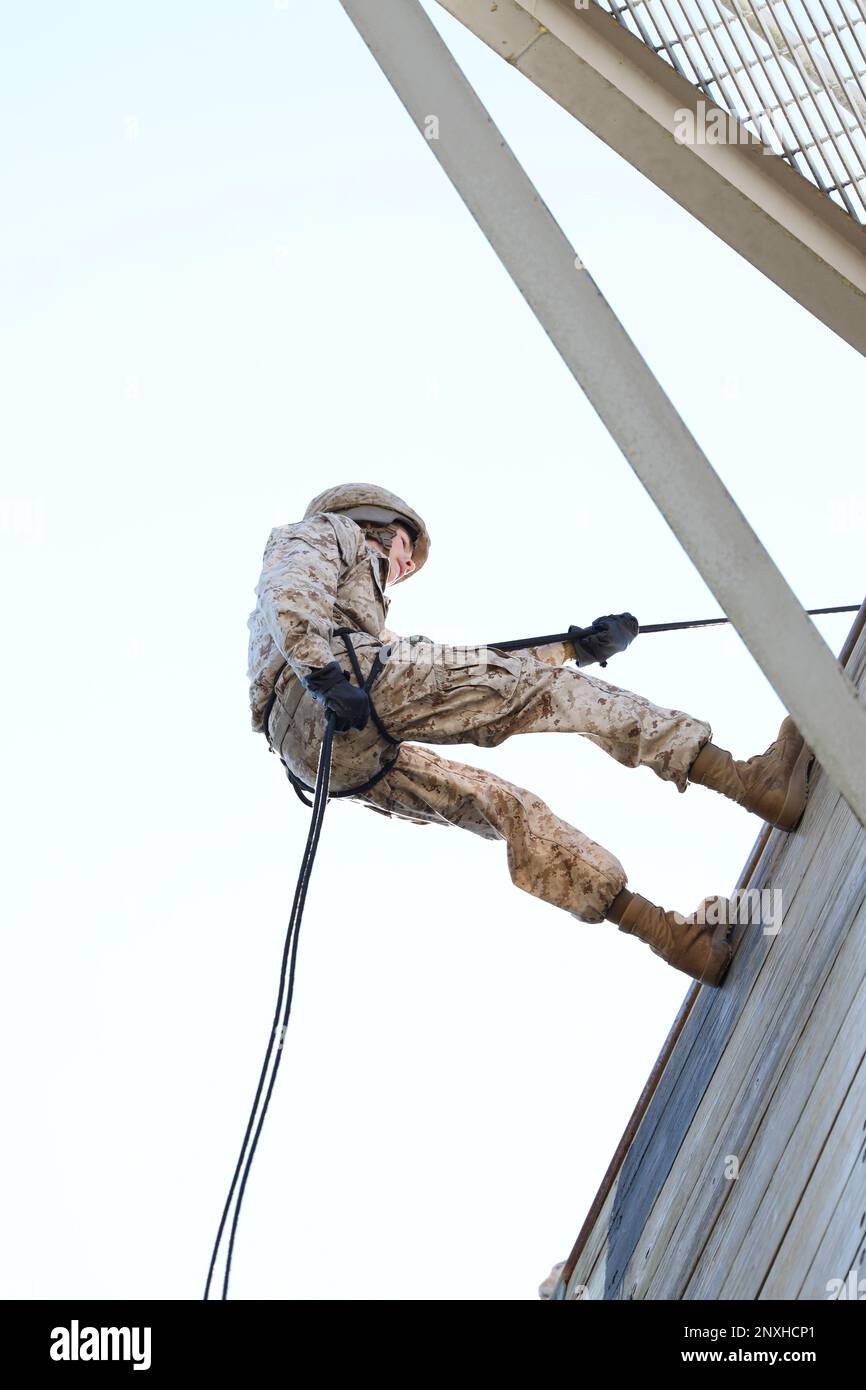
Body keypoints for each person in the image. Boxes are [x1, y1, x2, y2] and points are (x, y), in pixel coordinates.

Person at [247, 483, 815, 987]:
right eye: (405, 550)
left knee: (504, 808)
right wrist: (322, 674)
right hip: (340, 681)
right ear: (378, 521)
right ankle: (752, 781)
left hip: (325, 752)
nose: (405, 567)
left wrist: (574, 647)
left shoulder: (367, 629)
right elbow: (288, 590)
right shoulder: (330, 533)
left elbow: (466, 668)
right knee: (556, 693)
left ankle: (672, 938)